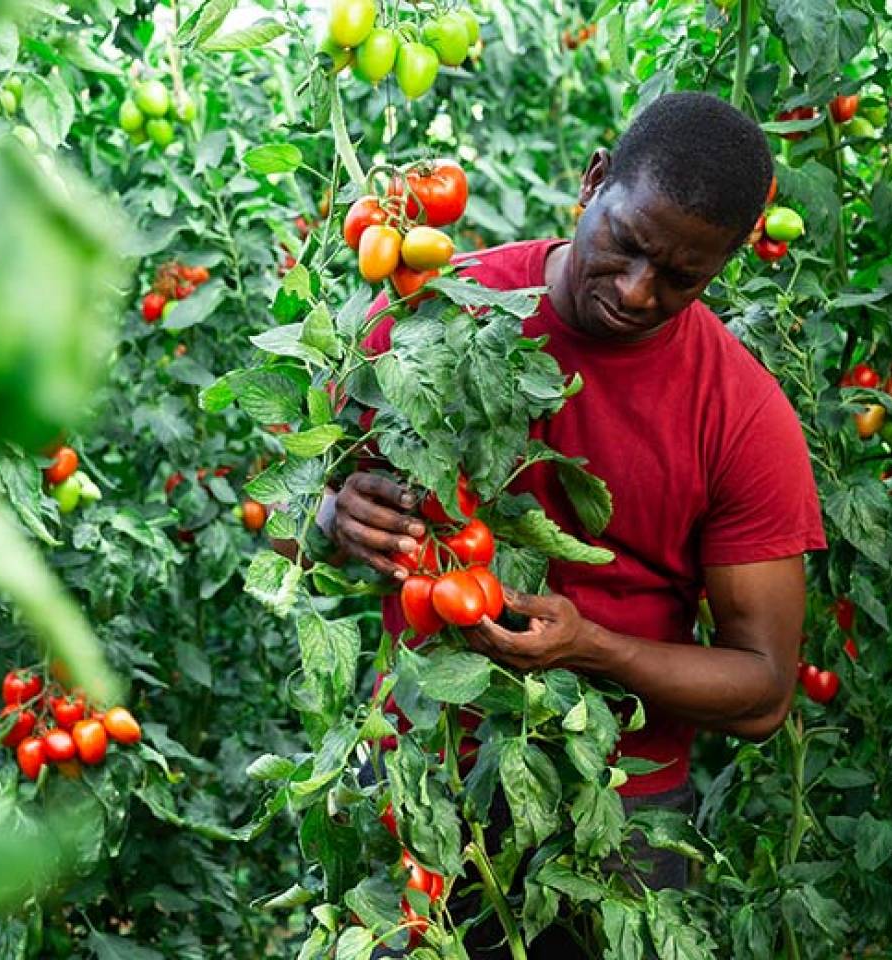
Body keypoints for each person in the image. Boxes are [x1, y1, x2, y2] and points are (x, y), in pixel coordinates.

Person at [317, 91, 826, 956]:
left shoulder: (742, 414)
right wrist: (334, 513)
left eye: (681, 278)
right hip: (417, 765)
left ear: (725, 267)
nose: (637, 290)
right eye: (626, 245)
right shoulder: (430, 317)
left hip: (613, 809)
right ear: (593, 182)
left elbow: (764, 691)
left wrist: (592, 648)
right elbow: (296, 525)